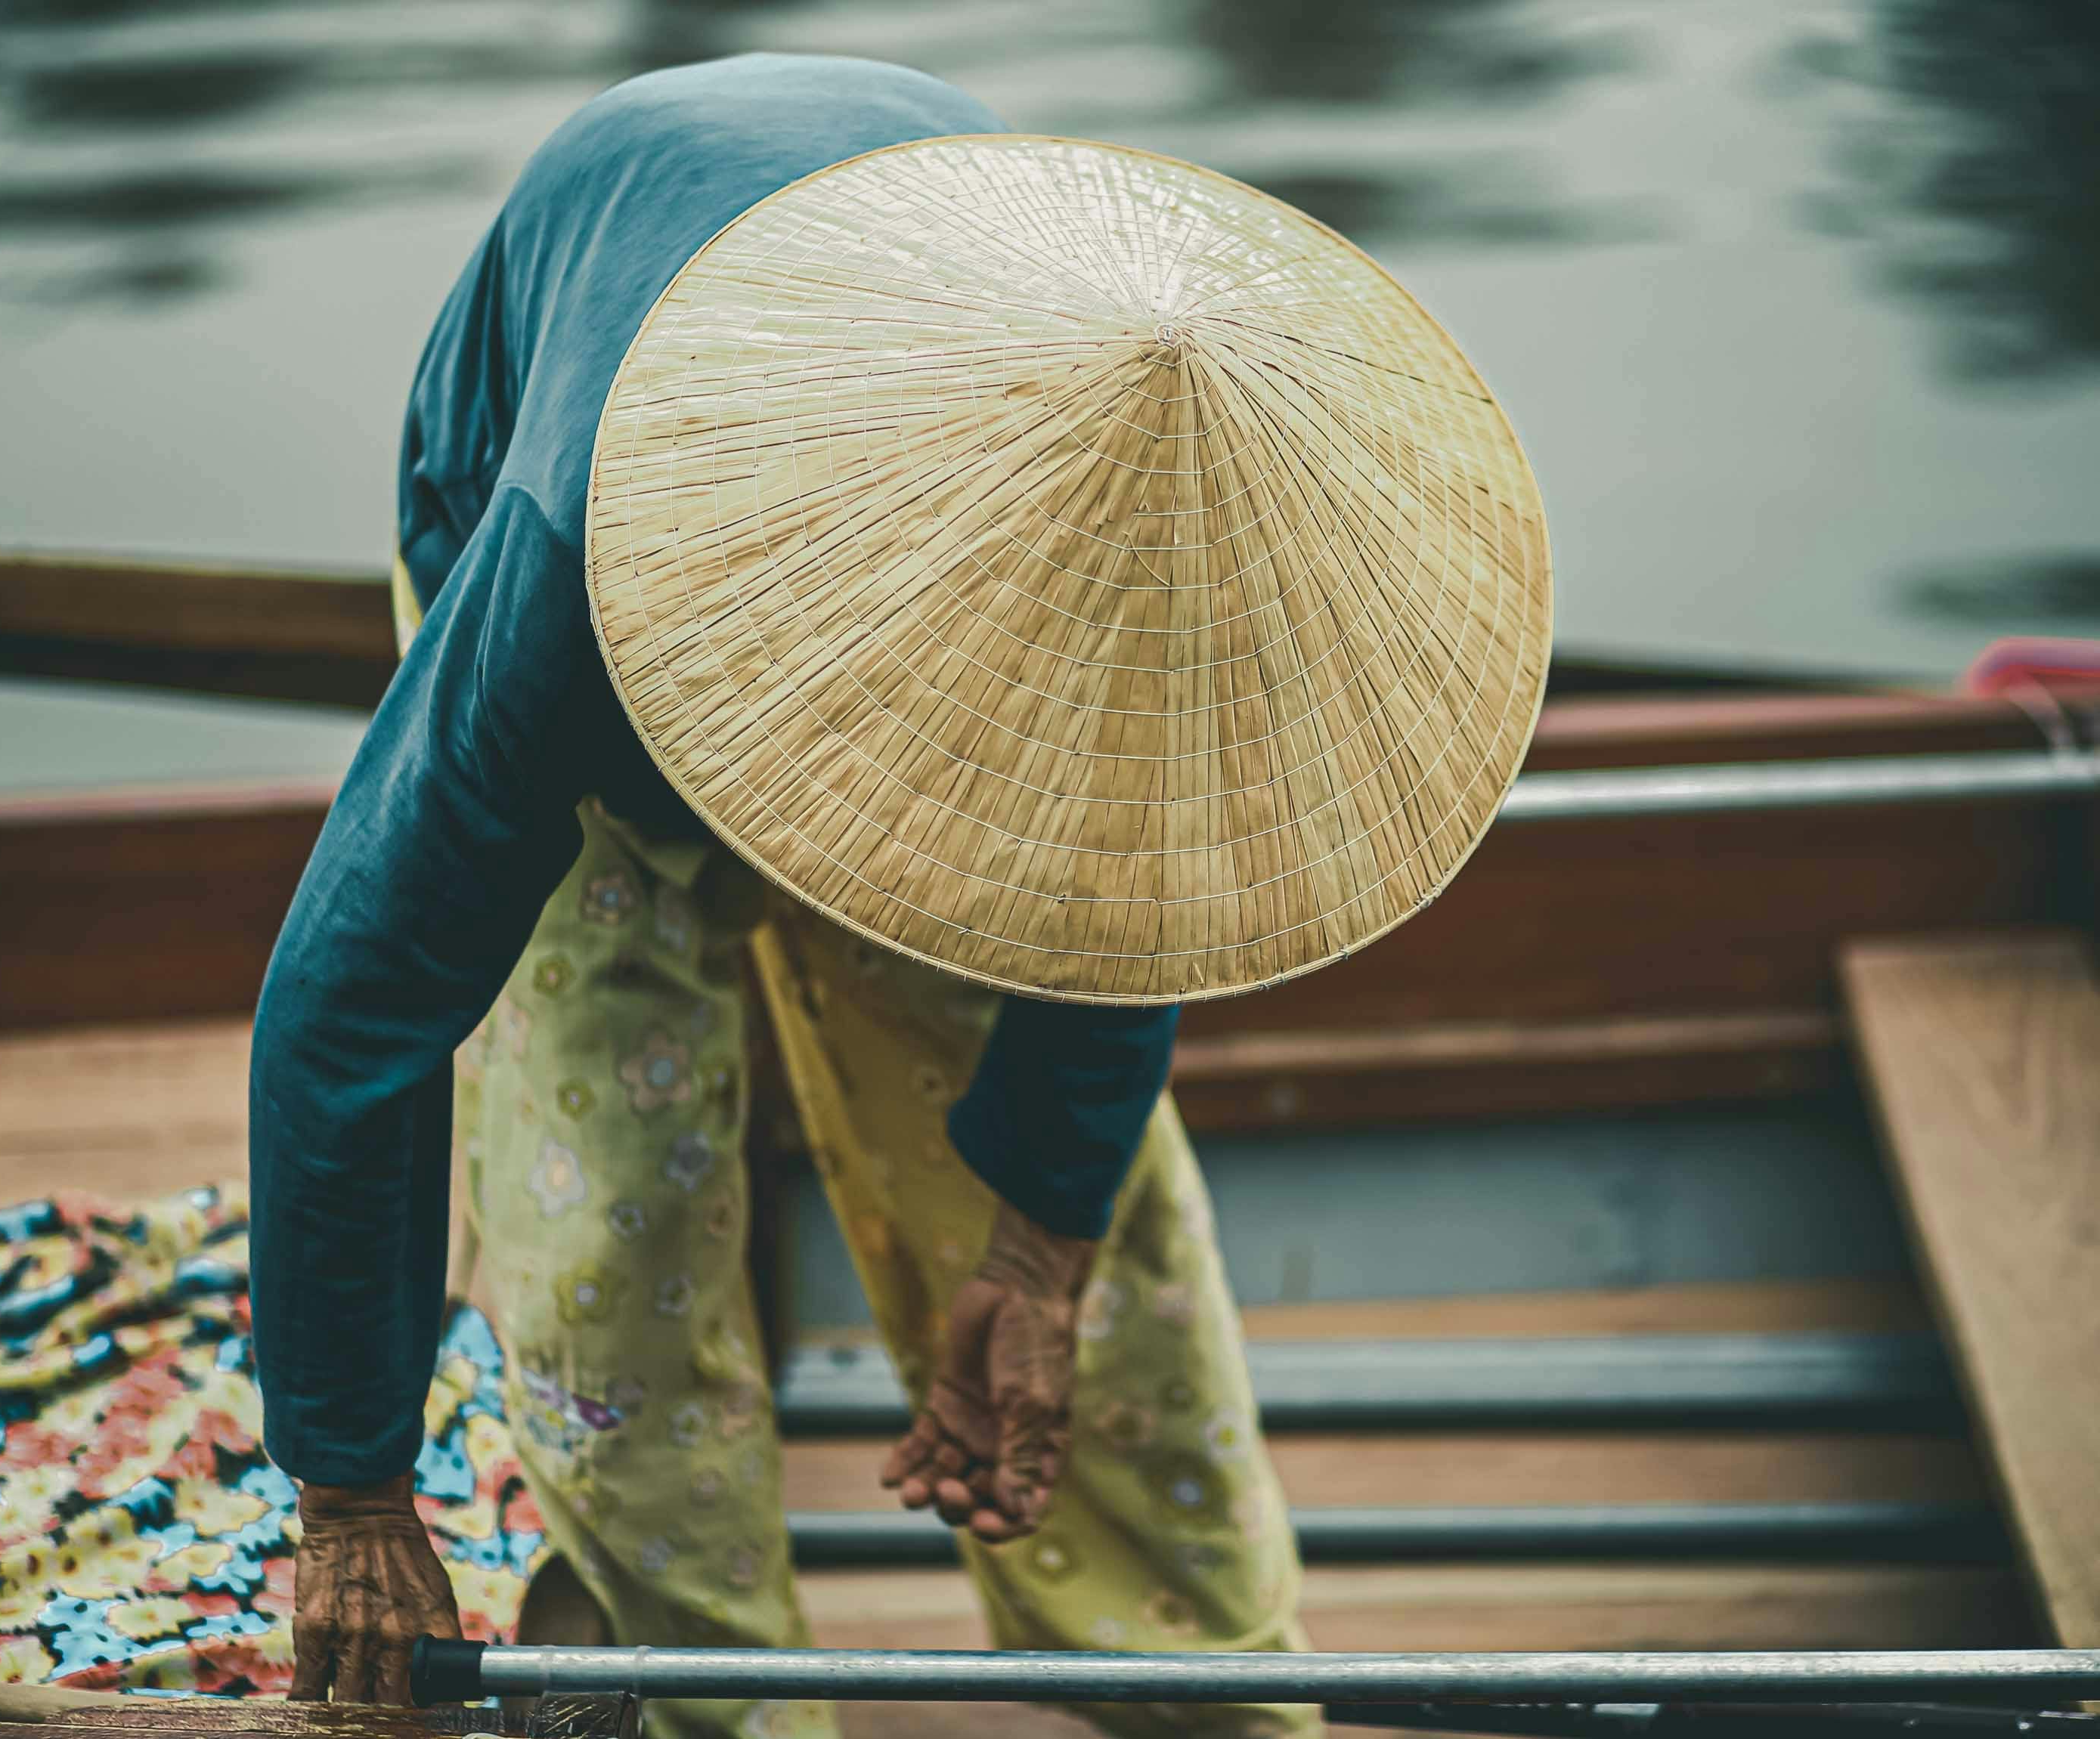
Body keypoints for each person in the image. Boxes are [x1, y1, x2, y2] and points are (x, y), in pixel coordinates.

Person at [249, 51, 1549, 1739]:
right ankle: (719, 1702)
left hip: (950, 409)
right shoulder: (570, 552)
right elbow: (352, 1003)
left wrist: (1043, 1237)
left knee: (1105, 1263)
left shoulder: (1170, 532)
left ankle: (1212, 1698)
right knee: (609, 1242)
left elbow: (1140, 868)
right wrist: (350, 1485)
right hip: (610, 499)